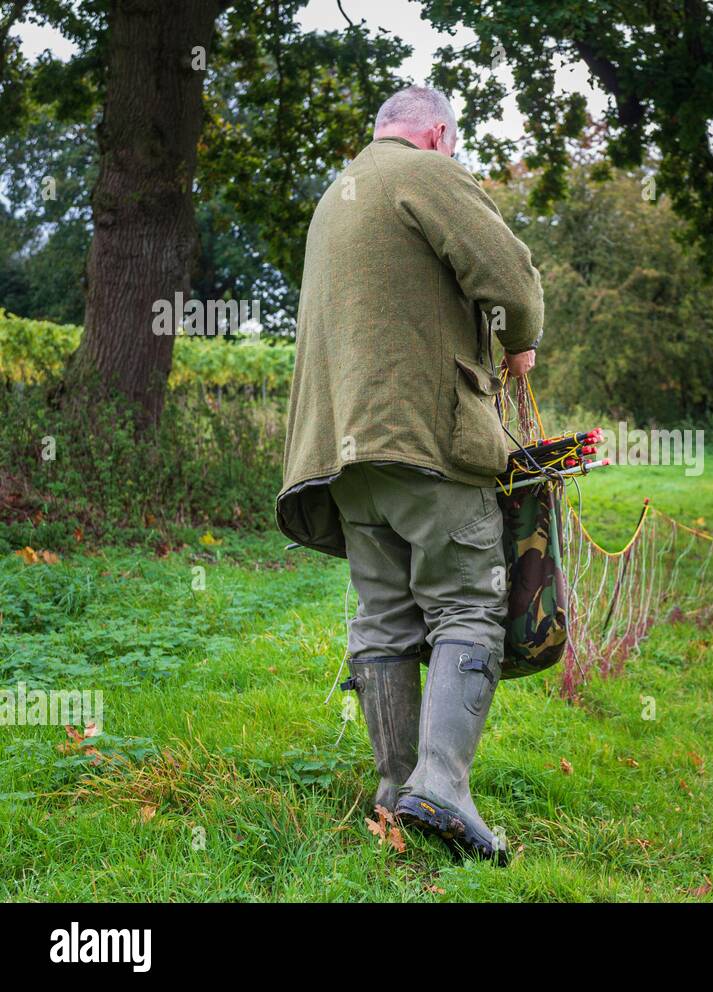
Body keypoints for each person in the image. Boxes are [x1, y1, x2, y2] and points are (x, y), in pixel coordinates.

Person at [276, 85, 543, 864]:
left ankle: (398, 796)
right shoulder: (425, 173)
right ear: (437, 135)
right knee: (468, 604)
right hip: (427, 438)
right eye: (451, 146)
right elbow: (511, 279)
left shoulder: (337, 195)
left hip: (345, 455)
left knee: (385, 618)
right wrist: (520, 341)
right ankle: (444, 787)